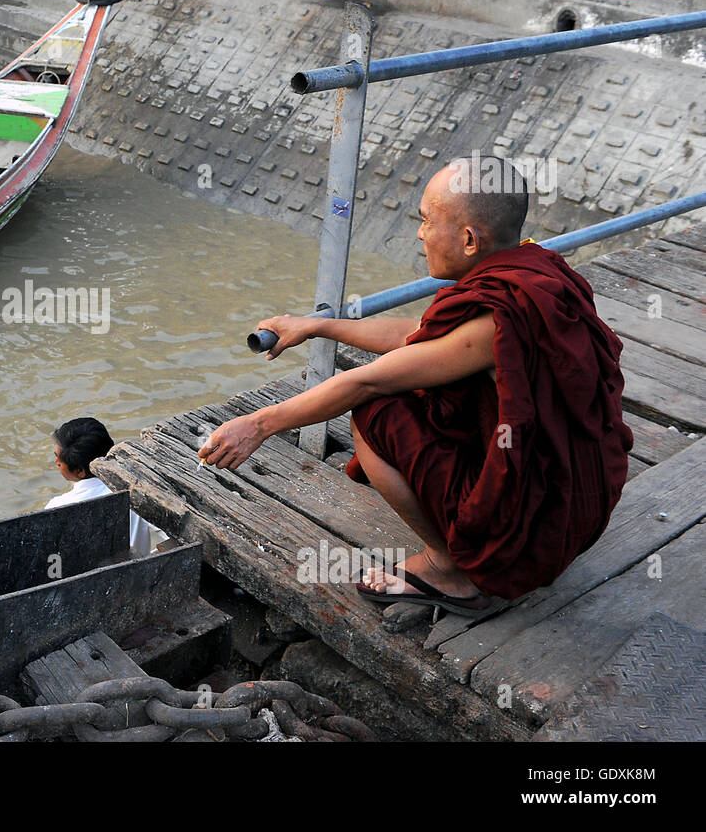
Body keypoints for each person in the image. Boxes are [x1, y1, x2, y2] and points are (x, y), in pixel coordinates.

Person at [199, 157, 633, 614]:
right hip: (574, 504)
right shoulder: (535, 271)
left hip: (534, 532)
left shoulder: (497, 318)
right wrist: (317, 326)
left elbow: (365, 382)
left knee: (373, 415)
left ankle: (452, 570)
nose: (420, 234)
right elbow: (419, 336)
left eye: (426, 220)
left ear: (468, 239)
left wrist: (258, 425)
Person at [46, 418, 163, 559]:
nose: (56, 462)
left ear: (79, 471)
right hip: (138, 575)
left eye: (59, 459)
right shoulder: (136, 492)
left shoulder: (56, 508)